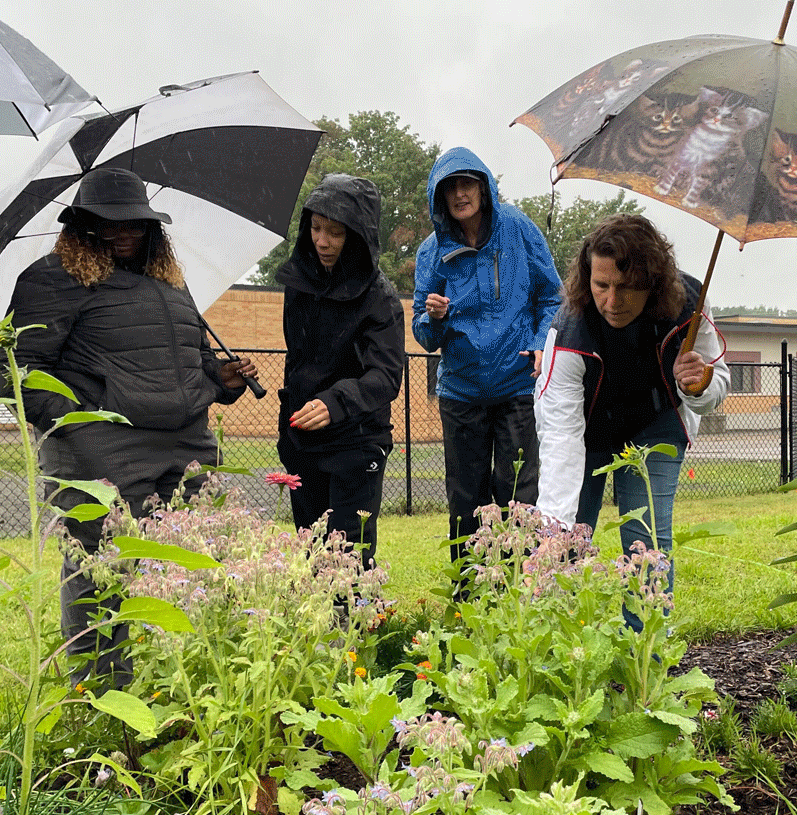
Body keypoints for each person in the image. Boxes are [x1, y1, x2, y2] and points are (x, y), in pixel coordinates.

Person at [2, 167, 257, 686]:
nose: (123, 234)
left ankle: (178, 691)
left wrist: (221, 377)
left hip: (184, 450)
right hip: (102, 453)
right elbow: (19, 372)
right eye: (107, 224)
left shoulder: (172, 285)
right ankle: (99, 697)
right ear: (82, 227)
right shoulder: (53, 279)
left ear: (152, 228)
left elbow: (191, 362)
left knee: (193, 571)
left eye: (134, 224)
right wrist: (81, 423)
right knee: (99, 575)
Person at [535, 214, 728, 607]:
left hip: (655, 424)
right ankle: (561, 633)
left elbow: (714, 385)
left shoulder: (690, 307)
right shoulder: (570, 328)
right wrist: (555, 525)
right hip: (585, 429)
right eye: (601, 285)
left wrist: (697, 385)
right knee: (568, 537)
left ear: (652, 280)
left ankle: (646, 642)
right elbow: (560, 432)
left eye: (625, 287)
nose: (611, 301)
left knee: (647, 544)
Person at [412, 148, 561, 562]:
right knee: (466, 499)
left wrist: (539, 341)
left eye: (468, 184)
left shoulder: (518, 228)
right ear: (439, 197)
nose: (460, 194)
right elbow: (424, 336)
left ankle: (519, 585)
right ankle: (467, 590)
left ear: (484, 188)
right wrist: (433, 316)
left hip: (517, 385)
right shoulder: (432, 251)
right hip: (461, 391)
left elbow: (552, 296)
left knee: (519, 495)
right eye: (450, 188)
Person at [276, 174, 404, 564]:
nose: (322, 241)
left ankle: (356, 604)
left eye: (335, 232)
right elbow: (298, 359)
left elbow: (386, 376)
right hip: (305, 440)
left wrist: (335, 403)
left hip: (356, 440)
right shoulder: (298, 285)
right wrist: (288, 429)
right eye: (316, 228)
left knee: (348, 558)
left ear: (358, 235)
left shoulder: (380, 299)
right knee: (311, 554)